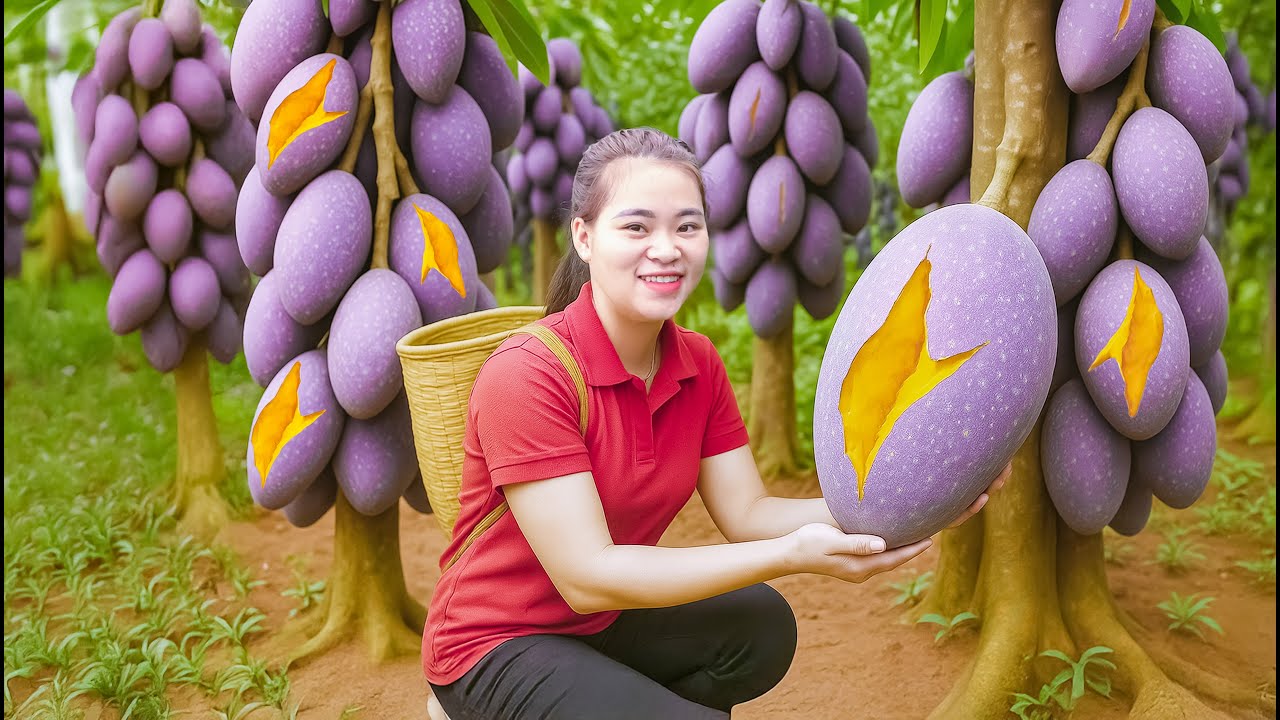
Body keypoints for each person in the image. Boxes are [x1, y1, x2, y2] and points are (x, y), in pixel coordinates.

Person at [422, 127, 1009, 720]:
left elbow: (749, 514)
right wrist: (791, 556)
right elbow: (588, 575)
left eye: (687, 225)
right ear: (584, 237)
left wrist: (909, 500)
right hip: (493, 643)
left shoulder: (697, 363)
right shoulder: (528, 375)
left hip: (598, 624)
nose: (667, 247)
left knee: (761, 627)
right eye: (636, 226)